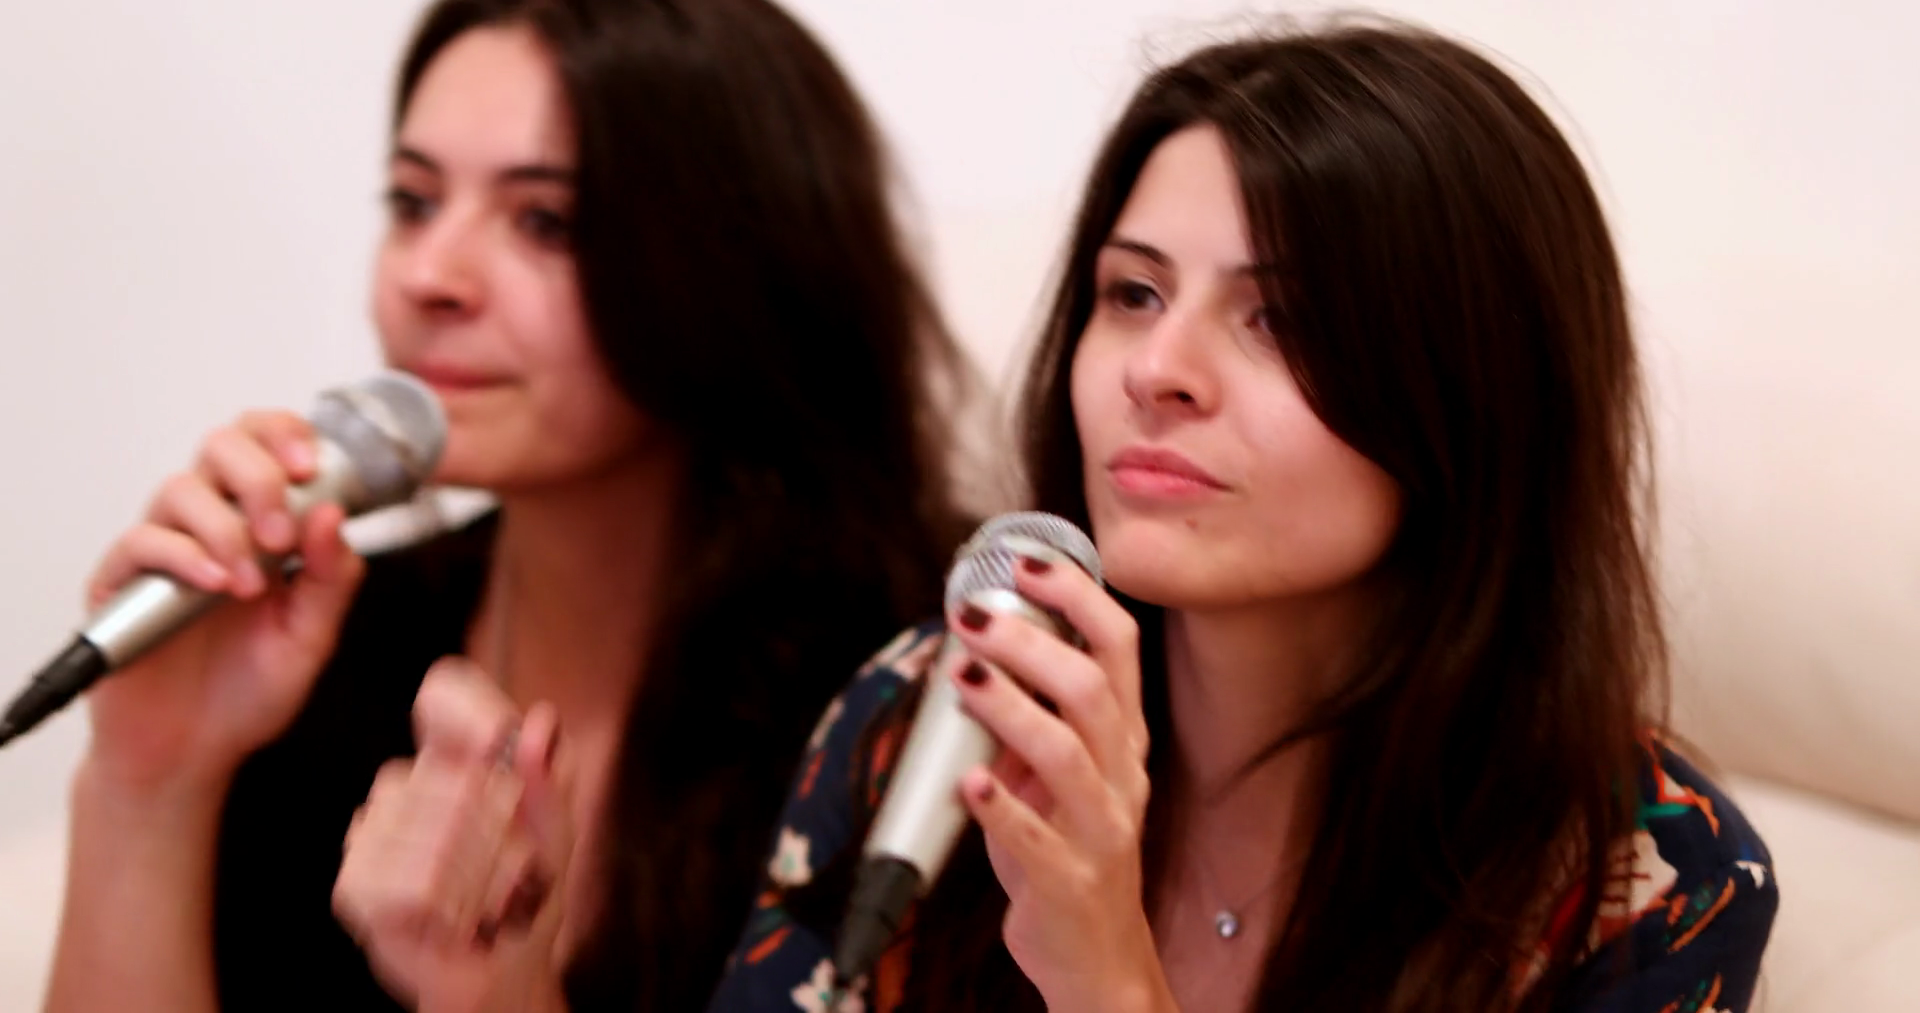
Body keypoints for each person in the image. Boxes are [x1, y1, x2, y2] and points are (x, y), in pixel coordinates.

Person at [710, 21, 1777, 1013]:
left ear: (1476, 391)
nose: (1158, 372)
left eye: (1279, 317)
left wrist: (1110, 981)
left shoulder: (1650, 875)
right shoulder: (932, 713)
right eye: (1133, 294)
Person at [41, 0, 975, 1010]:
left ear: (733, 257)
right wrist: (151, 779)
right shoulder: (322, 641)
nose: (431, 275)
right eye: (412, 201)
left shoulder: (922, 693)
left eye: (544, 221)